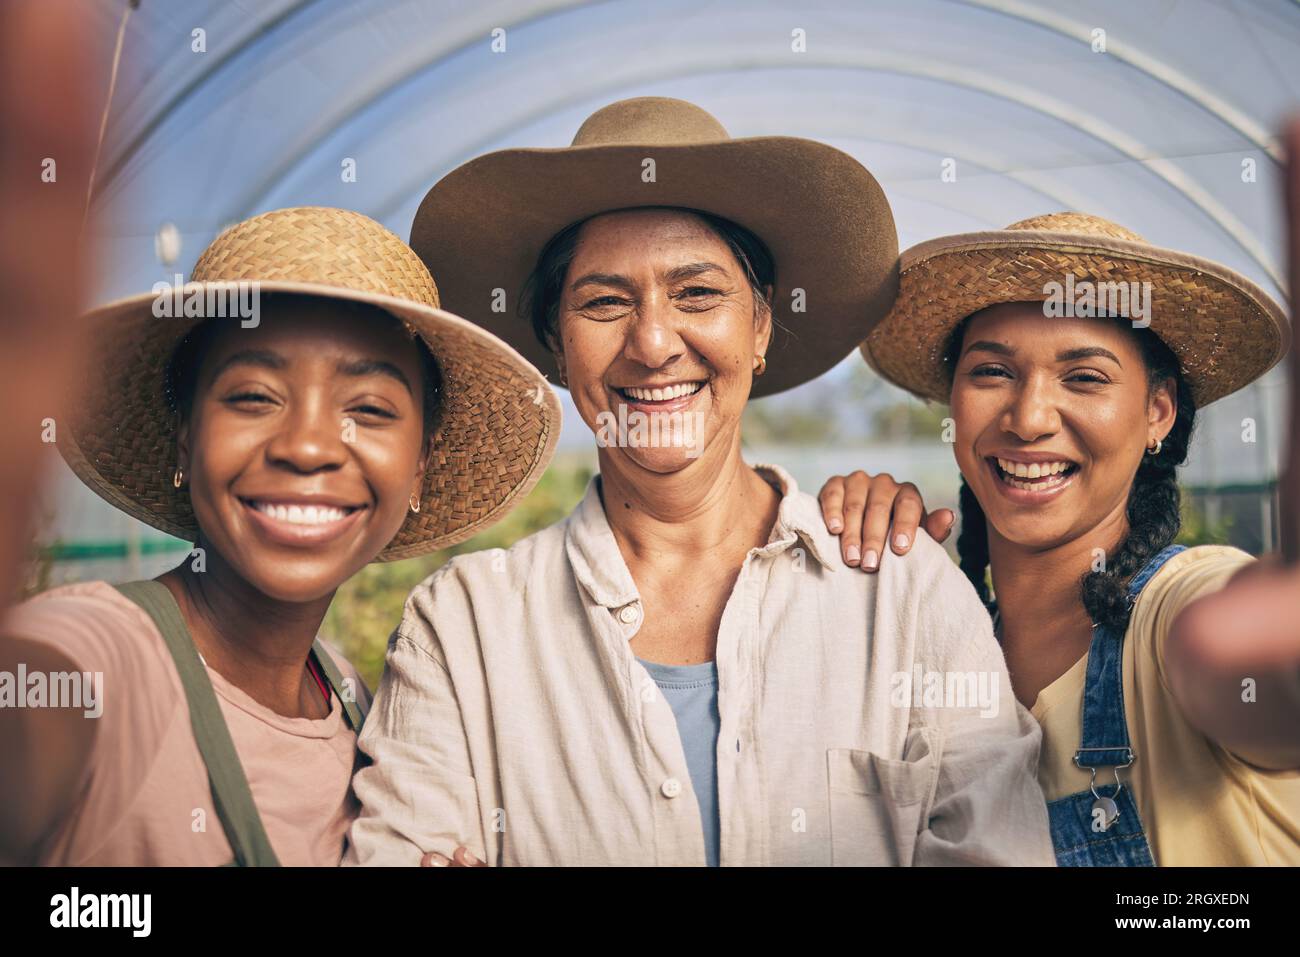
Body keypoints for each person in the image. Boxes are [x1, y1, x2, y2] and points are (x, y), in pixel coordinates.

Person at [346, 97, 1055, 867]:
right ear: (557, 344)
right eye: (606, 302)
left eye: (697, 294)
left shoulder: (904, 595)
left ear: (758, 329)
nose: (652, 344)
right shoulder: (464, 629)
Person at [0, 206, 559, 865]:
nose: (308, 447)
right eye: (253, 396)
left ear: (419, 467)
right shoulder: (105, 656)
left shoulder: (353, 703)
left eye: (370, 409)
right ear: (185, 437)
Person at [819, 194, 1300, 864]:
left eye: (1083, 376)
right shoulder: (938, 651)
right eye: (992, 371)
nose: (1028, 417)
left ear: (1158, 411)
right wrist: (854, 562)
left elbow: (1263, 669)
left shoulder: (1171, 614)